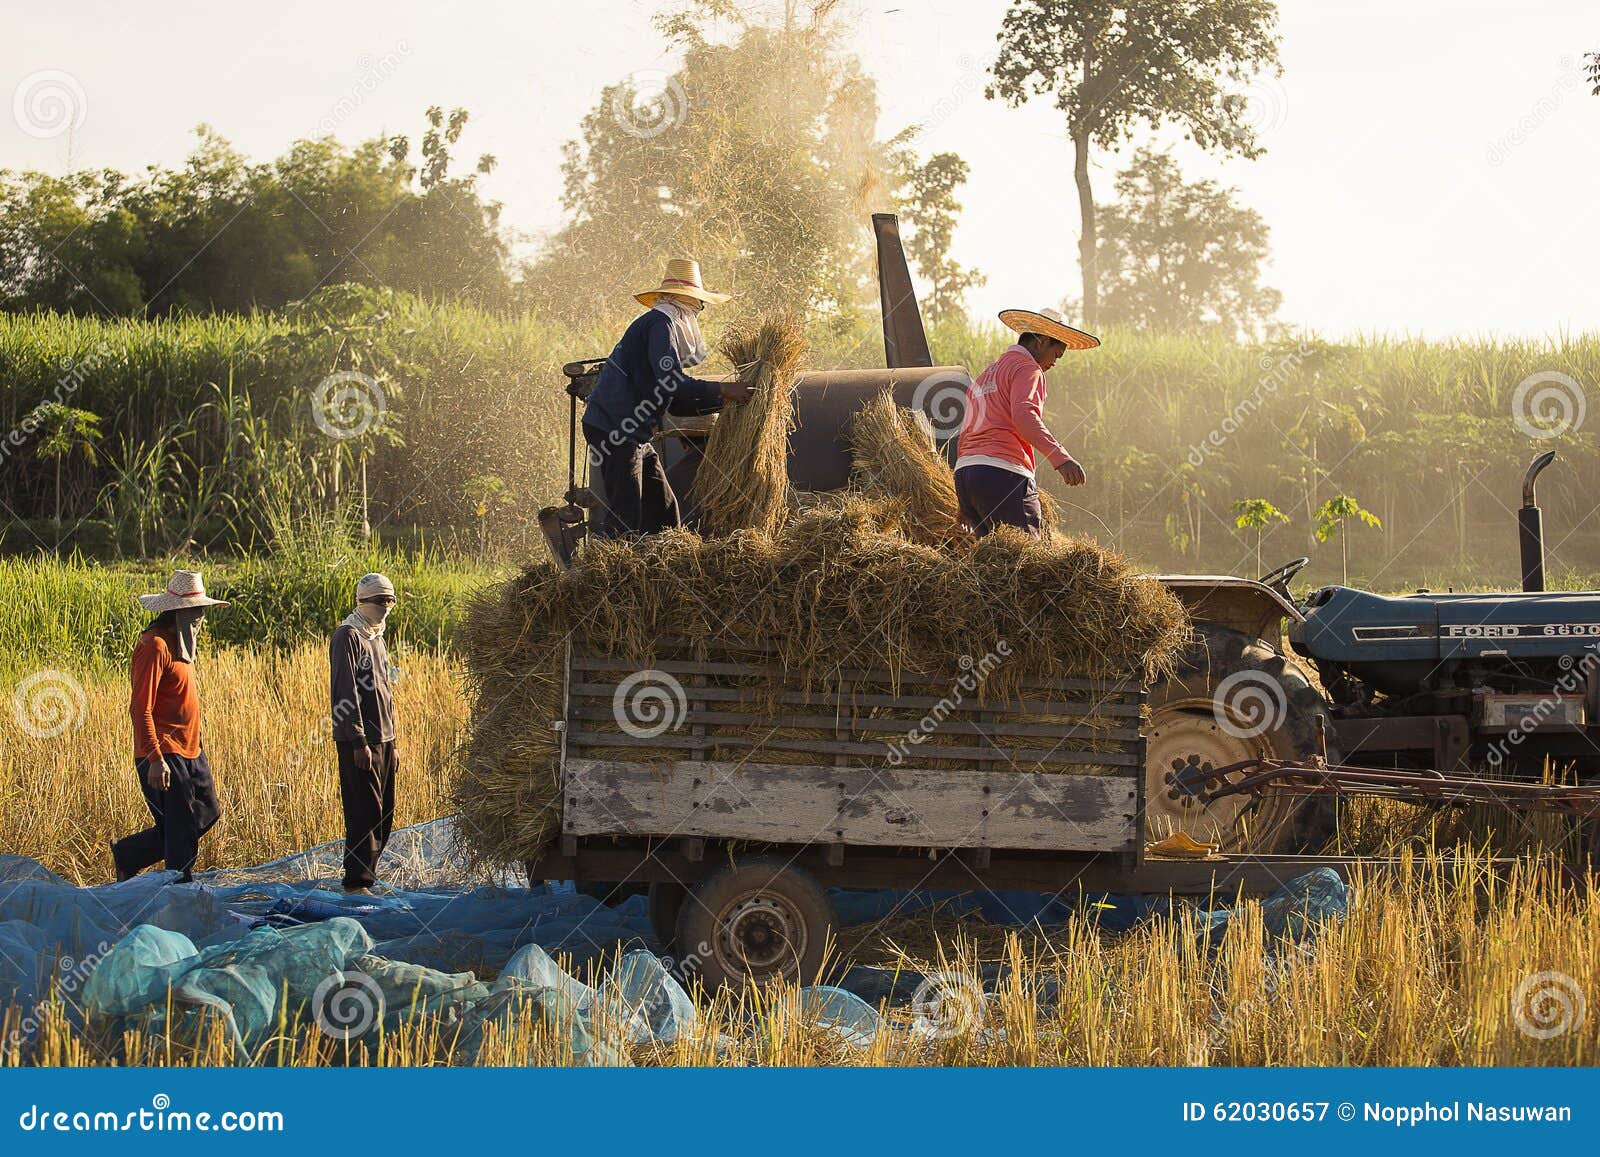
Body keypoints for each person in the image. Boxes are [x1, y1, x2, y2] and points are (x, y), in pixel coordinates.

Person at [582, 258, 753, 537]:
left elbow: (674, 402)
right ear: (686, 301)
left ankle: (663, 557)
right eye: (699, 305)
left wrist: (724, 403)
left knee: (663, 511)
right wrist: (723, 389)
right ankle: (610, 561)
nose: (699, 311)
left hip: (633, 433)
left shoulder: (662, 324)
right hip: (616, 427)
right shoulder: (660, 324)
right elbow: (671, 381)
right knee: (627, 512)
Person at [111, 570, 228, 884]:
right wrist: (155, 757)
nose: (200, 617)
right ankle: (178, 891)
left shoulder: (181, 644)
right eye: (196, 611)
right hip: (165, 752)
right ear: (179, 612)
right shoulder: (155, 646)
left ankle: (129, 855)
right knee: (180, 833)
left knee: (207, 812)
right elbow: (140, 707)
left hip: (191, 750)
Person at [953, 307, 1098, 537]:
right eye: (1057, 354)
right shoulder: (1028, 369)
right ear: (1043, 341)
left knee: (992, 555)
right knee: (1027, 553)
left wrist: (964, 500)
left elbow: (966, 430)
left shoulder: (986, 374)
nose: (1054, 363)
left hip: (966, 474)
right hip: (1003, 474)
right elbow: (1024, 416)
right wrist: (1061, 458)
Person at [330, 572, 399, 894]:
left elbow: (386, 693)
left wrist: (394, 742)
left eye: (390, 601)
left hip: (384, 739)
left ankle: (369, 875)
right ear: (363, 601)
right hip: (360, 742)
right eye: (380, 601)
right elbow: (345, 692)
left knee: (384, 813)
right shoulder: (348, 635)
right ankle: (356, 882)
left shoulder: (377, 637)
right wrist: (358, 741)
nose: (385, 607)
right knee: (363, 812)